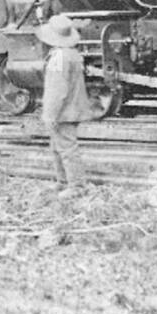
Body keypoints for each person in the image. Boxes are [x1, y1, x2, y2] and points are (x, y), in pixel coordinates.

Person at [38, 14, 95, 194]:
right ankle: (62, 181)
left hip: (64, 110)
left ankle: (76, 186)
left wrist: (50, 114)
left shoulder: (58, 58)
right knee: (57, 146)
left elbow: (57, 90)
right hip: (72, 107)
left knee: (67, 148)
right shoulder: (72, 54)